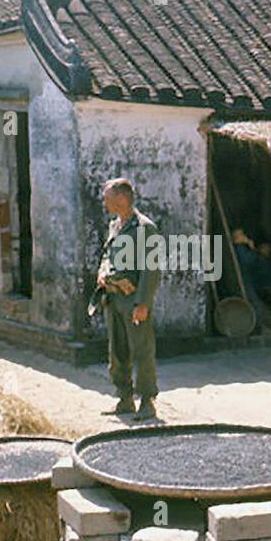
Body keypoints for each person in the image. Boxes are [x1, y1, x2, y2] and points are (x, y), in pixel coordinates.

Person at [95, 178, 161, 420]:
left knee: (141, 350)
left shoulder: (145, 228)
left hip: (133, 300)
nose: (104, 201)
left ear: (122, 198)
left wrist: (143, 303)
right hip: (113, 298)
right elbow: (107, 255)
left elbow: (151, 269)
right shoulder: (115, 225)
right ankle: (124, 398)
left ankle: (147, 401)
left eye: (107, 197)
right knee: (118, 350)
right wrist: (102, 273)